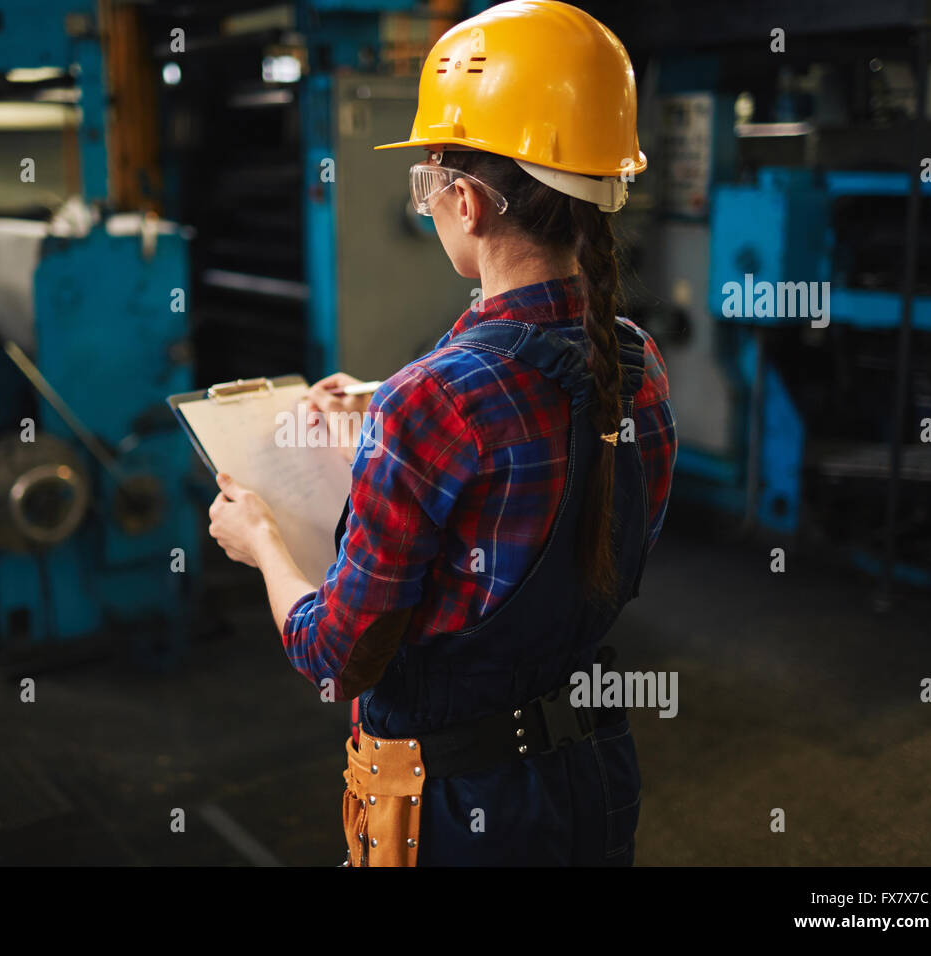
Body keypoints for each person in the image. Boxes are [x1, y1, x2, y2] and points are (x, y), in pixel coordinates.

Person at [207, 0, 676, 866]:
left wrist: (263, 542)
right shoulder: (636, 361)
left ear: (464, 199)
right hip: (592, 778)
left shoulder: (434, 406)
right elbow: (537, 418)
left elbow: (336, 658)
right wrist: (381, 400)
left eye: (429, 186)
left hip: (460, 810)